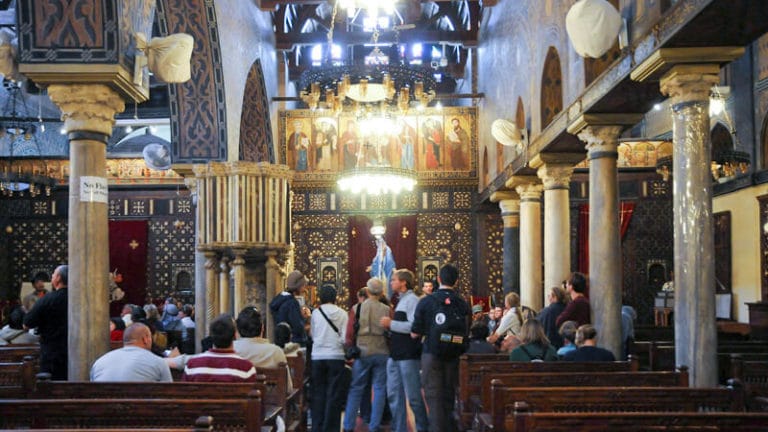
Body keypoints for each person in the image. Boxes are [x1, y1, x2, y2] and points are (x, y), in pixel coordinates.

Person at [411, 263, 470, 432]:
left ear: (438, 279)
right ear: (456, 281)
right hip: (454, 355)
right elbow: (467, 331)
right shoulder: (462, 303)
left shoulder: (426, 301)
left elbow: (415, 332)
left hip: (432, 354)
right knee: (449, 396)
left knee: (433, 398)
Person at [380, 269, 429, 432]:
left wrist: (391, 324)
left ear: (403, 282)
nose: (391, 282)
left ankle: (422, 428)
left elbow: (414, 327)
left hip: (408, 355)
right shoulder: (400, 301)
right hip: (395, 355)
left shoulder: (412, 300)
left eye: (394, 280)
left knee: (414, 397)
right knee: (394, 395)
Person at [343, 278, 391, 432]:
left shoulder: (356, 308)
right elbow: (392, 331)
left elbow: (349, 334)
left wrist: (350, 348)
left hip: (362, 351)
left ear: (368, 291)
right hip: (382, 350)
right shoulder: (387, 309)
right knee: (379, 389)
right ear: (382, 292)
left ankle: (348, 425)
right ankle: (375, 425)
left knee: (356, 388)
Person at [310, 285, 348, 432]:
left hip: (318, 356)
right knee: (334, 394)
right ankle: (331, 428)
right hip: (336, 356)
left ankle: (317, 426)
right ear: (335, 297)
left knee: (318, 393)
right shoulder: (343, 314)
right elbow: (345, 338)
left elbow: (313, 334)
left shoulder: (316, 313)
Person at [24, 264, 68, 380]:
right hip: (78, 352)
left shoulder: (47, 299)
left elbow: (27, 323)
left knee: (52, 388)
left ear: (58, 278)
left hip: (52, 353)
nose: (52, 276)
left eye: (53, 274)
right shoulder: (80, 299)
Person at [183, 315, 257, 382]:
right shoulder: (246, 368)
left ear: (211, 335)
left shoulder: (192, 365)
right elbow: (253, 395)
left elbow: (185, 393)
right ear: (235, 335)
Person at [90, 322, 173, 382]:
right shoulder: (159, 362)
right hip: (142, 406)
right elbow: (168, 395)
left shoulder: (100, 362)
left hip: (104, 406)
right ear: (145, 339)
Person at [233, 306, 291, 390]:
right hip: (268, 402)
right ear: (262, 328)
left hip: (238, 400)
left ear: (237, 329)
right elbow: (288, 388)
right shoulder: (275, 352)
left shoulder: (231, 350)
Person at [270, 270, 308, 346]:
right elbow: (298, 327)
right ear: (298, 286)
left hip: (281, 341)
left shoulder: (279, 300)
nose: (304, 288)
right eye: (303, 285)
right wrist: (305, 318)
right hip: (293, 343)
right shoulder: (292, 303)